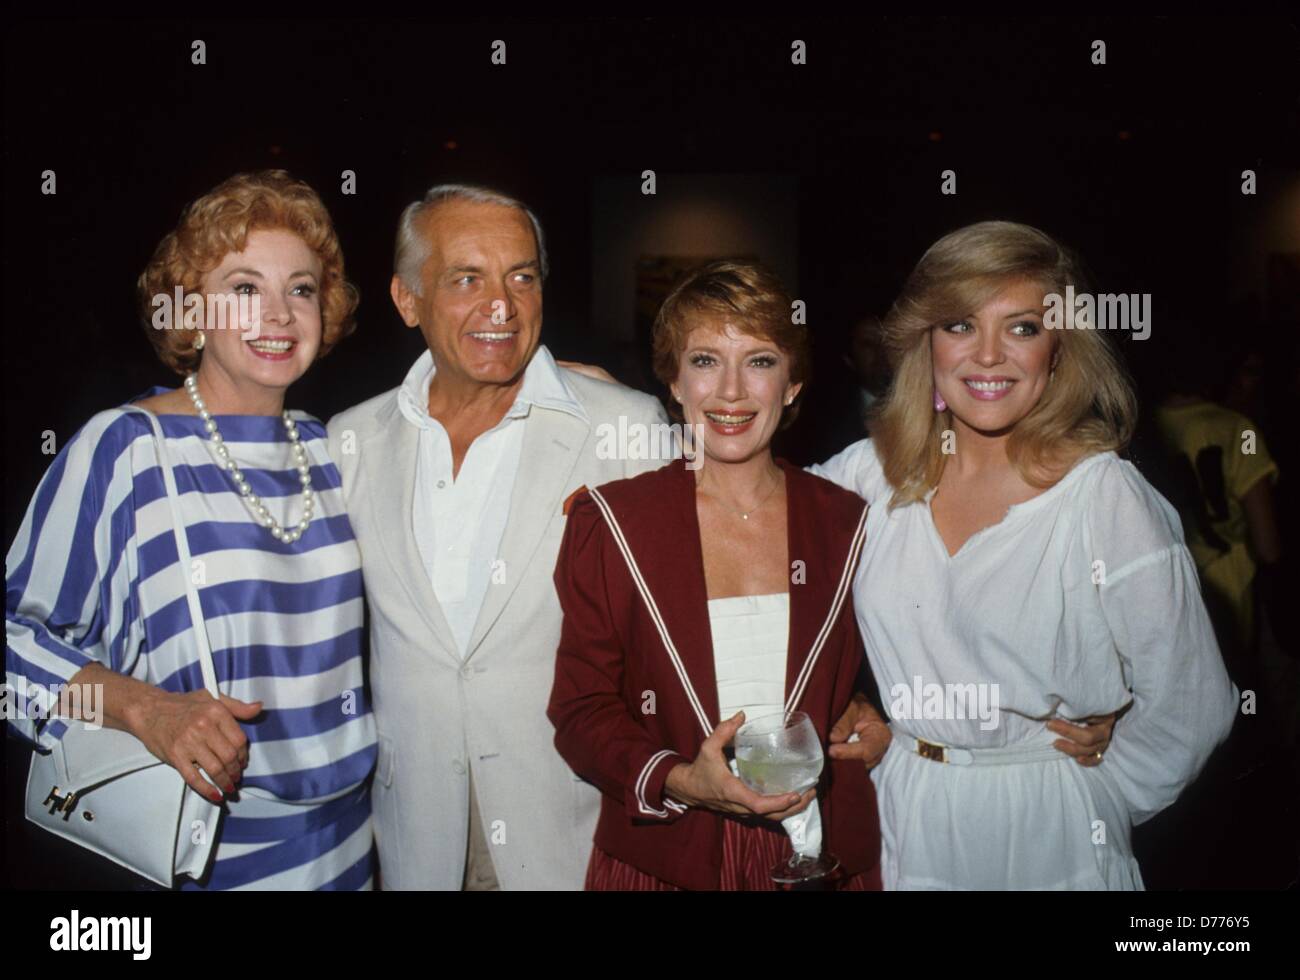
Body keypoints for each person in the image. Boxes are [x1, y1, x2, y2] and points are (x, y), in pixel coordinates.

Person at [817, 221, 1238, 889]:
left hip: (1055, 828)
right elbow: (745, 531)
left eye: (1021, 328)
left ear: (1059, 350)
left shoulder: (1103, 495)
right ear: (926, 343)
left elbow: (1194, 700)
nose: (987, 356)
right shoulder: (870, 475)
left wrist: (1102, 790)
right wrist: (838, 704)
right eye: (959, 325)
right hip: (906, 815)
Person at [6, 170, 377, 889]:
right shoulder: (125, 449)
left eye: (300, 289)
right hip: (204, 855)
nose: (278, 313)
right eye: (244, 288)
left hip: (351, 850)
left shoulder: (332, 448)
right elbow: (10, 652)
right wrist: (146, 708)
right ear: (191, 310)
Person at [326, 183, 668, 890]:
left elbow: (693, 610)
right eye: (465, 279)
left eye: (521, 276)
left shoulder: (624, 425)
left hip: (571, 827)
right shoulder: (350, 440)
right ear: (407, 299)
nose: (501, 306)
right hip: (411, 833)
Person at [547, 259, 892, 890]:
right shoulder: (614, 521)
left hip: (820, 857)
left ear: (792, 385)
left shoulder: (847, 520)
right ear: (673, 382)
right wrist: (681, 779)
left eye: (759, 361)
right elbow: (580, 711)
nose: (731, 391)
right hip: (666, 856)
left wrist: (876, 710)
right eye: (705, 360)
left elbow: (902, 655)